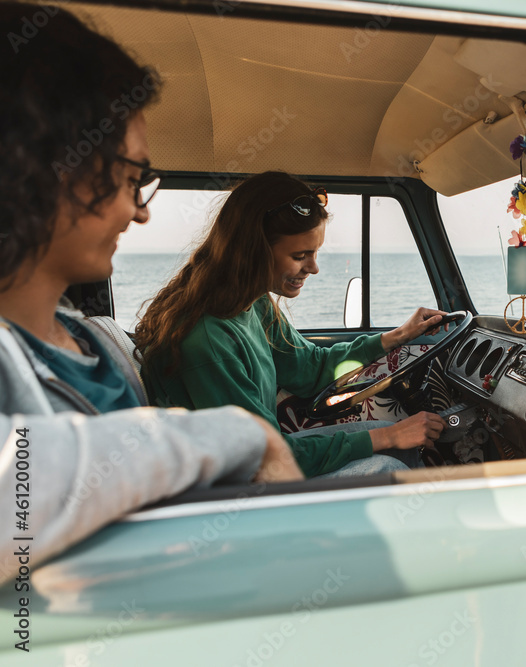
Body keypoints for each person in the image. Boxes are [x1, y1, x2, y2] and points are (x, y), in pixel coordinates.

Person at [0, 2, 304, 583]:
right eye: (134, 177)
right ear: (46, 164)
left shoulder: (101, 338)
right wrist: (244, 433)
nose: (140, 212)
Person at [136, 171, 449, 478]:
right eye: (301, 255)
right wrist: (390, 437)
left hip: (262, 454)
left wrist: (398, 336)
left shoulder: (254, 303)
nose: (313, 268)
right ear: (254, 252)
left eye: (314, 253)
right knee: (388, 466)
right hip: (230, 488)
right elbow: (262, 461)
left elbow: (309, 368)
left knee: (386, 436)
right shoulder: (206, 339)